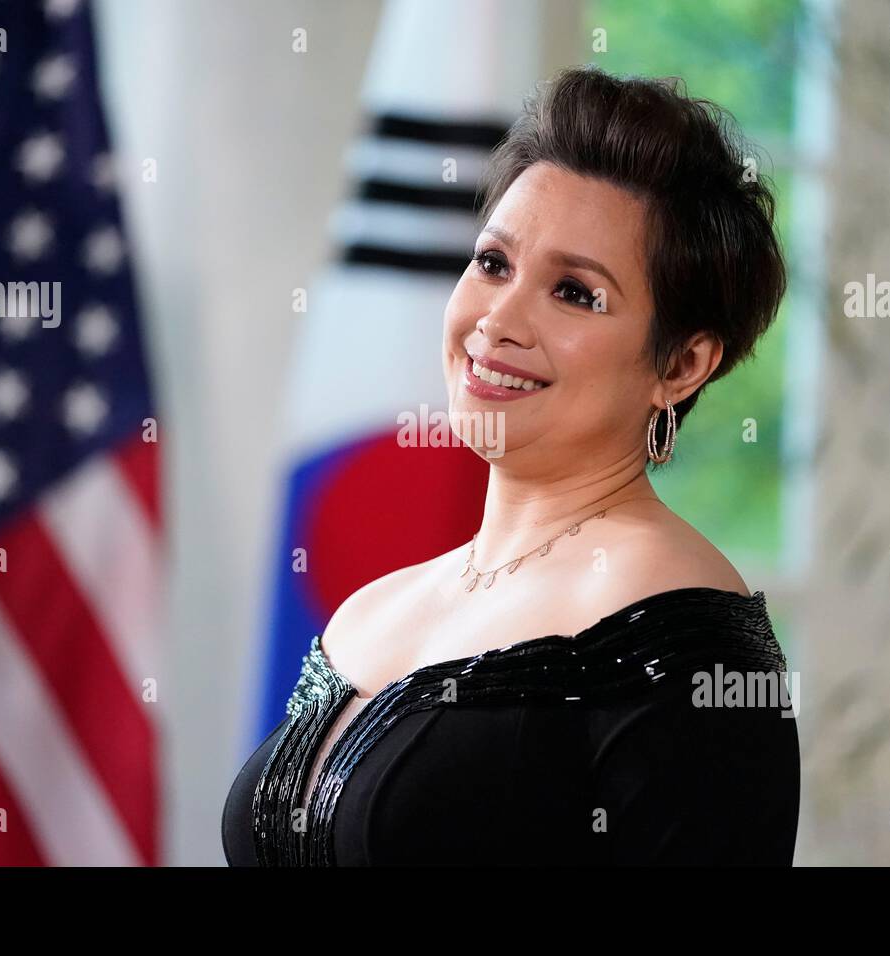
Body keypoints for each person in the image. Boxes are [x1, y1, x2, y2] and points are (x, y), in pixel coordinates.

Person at [224, 64, 798, 865]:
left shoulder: (682, 631)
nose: (498, 320)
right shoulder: (368, 612)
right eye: (493, 263)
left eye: (574, 292)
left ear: (682, 364)